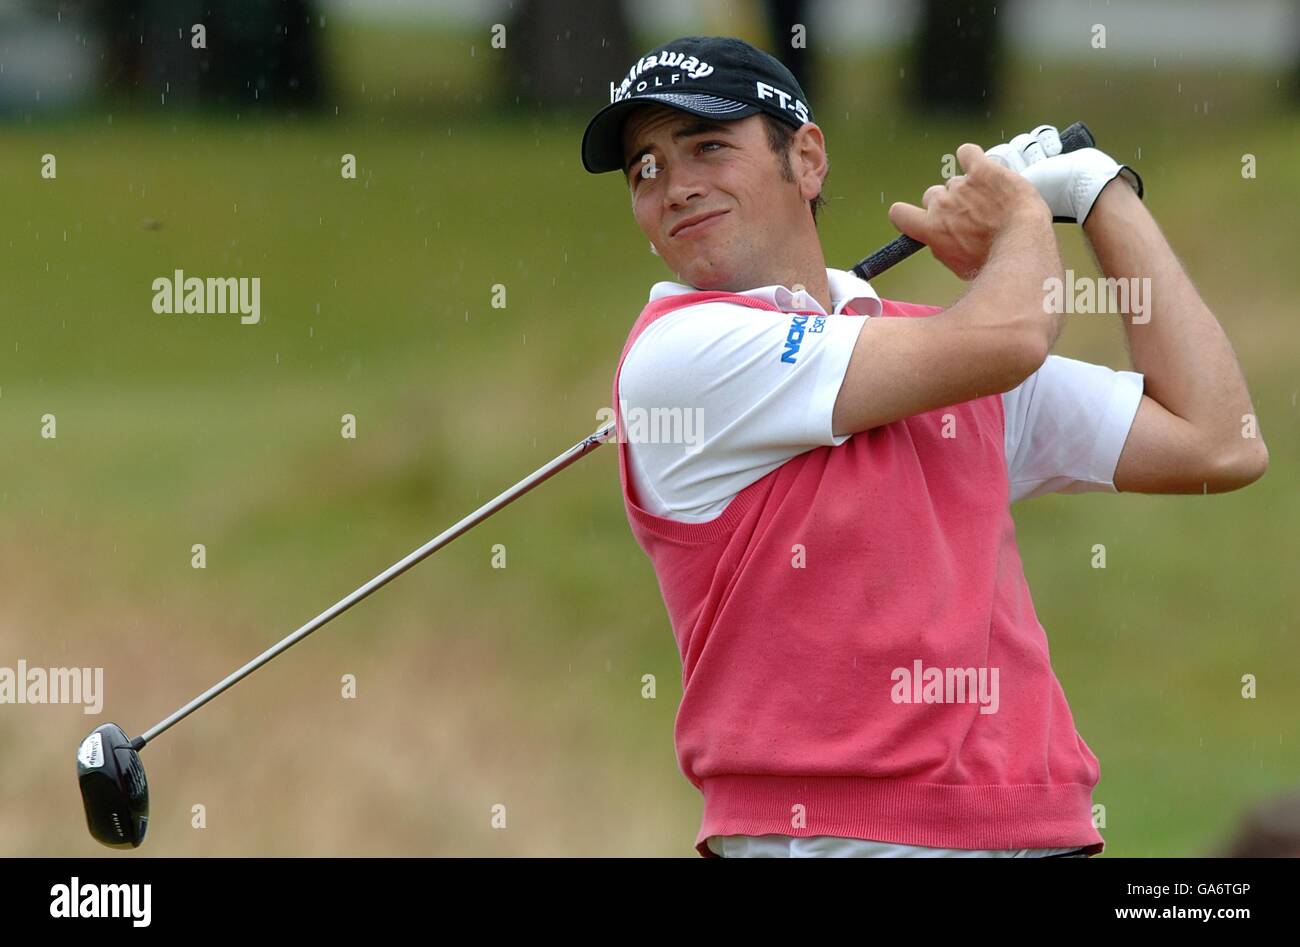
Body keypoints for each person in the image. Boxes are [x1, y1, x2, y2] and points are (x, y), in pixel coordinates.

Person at [580, 36, 1268, 858]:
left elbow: (1219, 442)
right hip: (838, 838)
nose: (676, 185)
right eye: (645, 167)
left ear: (806, 159)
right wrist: (1019, 217)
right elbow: (1012, 332)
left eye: (707, 147)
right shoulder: (677, 356)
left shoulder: (934, 357)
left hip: (1039, 828)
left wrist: (1097, 191)